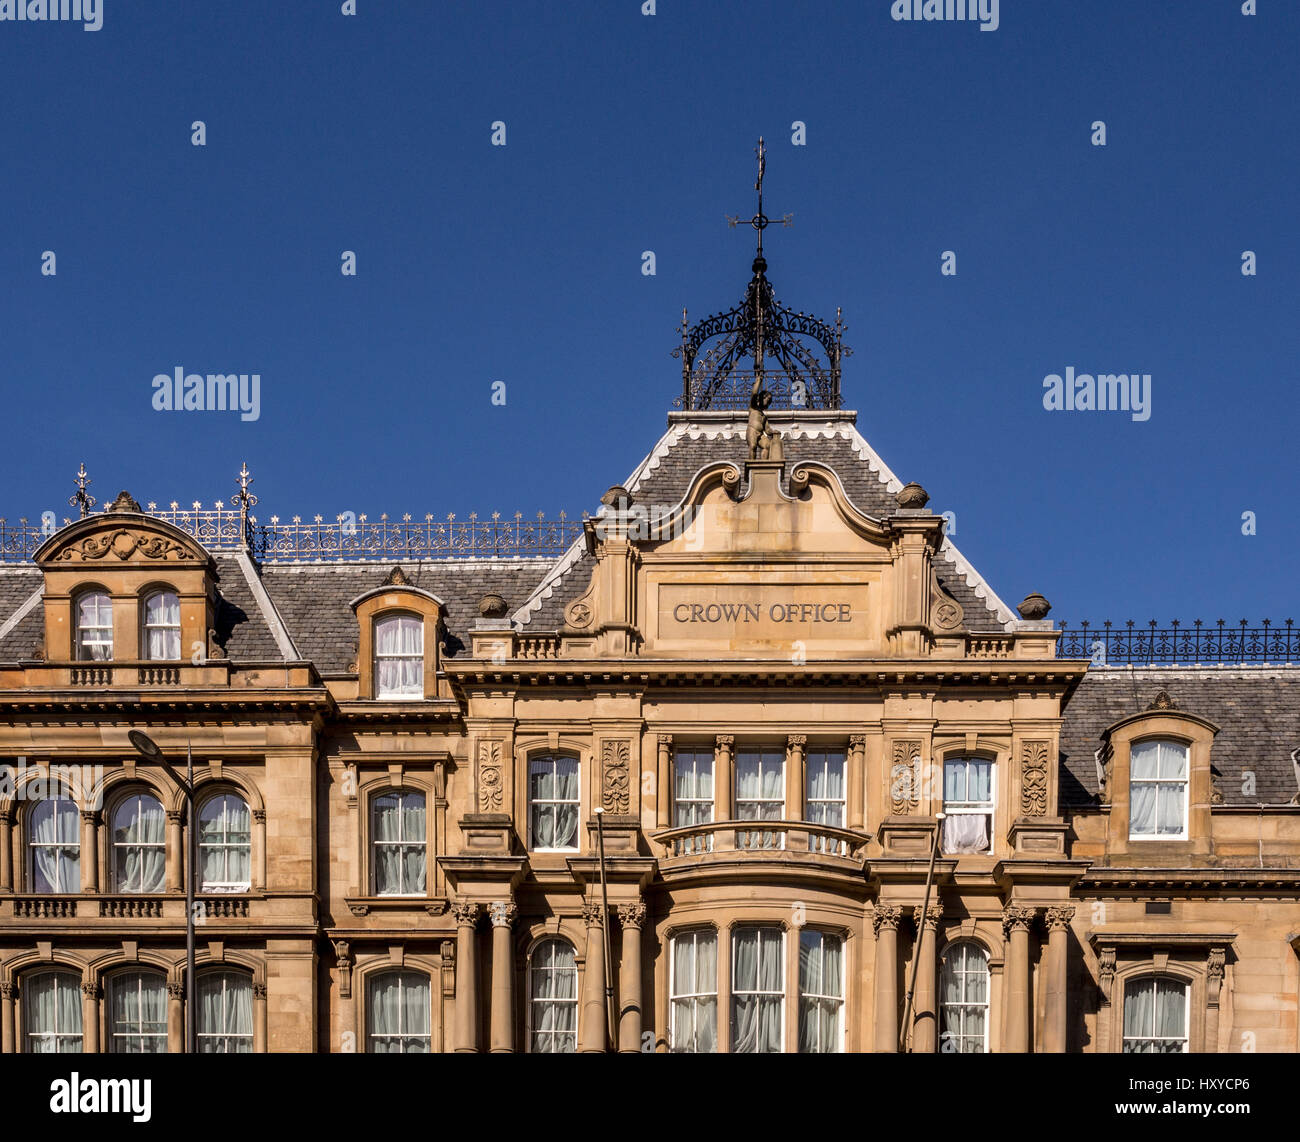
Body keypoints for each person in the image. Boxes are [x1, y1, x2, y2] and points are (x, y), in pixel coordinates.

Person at [747, 375, 784, 462]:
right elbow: (754, 393)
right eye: (768, 399)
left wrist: (774, 431)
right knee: (753, 446)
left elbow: (767, 430)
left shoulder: (763, 416)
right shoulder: (753, 407)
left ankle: (763, 464)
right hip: (752, 430)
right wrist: (758, 381)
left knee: (767, 445)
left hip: (760, 433)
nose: (768, 402)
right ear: (763, 397)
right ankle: (752, 464)